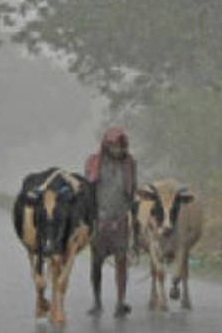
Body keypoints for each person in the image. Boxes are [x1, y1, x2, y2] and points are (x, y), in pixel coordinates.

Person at [85, 126, 136, 317]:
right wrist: (90, 220)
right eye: (116, 145)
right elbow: (88, 191)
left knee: (122, 261)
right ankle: (97, 301)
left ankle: (120, 302)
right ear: (107, 146)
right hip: (100, 221)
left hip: (121, 219)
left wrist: (133, 218)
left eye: (122, 146)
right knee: (96, 263)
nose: (120, 149)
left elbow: (132, 191)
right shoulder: (93, 163)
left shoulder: (130, 163)